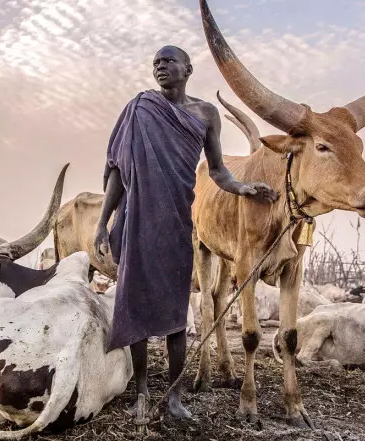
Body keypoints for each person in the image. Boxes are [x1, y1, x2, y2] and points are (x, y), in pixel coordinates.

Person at [93, 45, 278, 419]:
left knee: (177, 313)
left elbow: (218, 170)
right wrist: (103, 220)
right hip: (137, 218)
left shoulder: (206, 114)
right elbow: (117, 170)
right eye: (156, 62)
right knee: (136, 307)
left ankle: (174, 397)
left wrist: (243, 187)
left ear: (188, 69)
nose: (160, 67)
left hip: (178, 220)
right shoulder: (140, 109)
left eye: (168, 61)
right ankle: (143, 393)